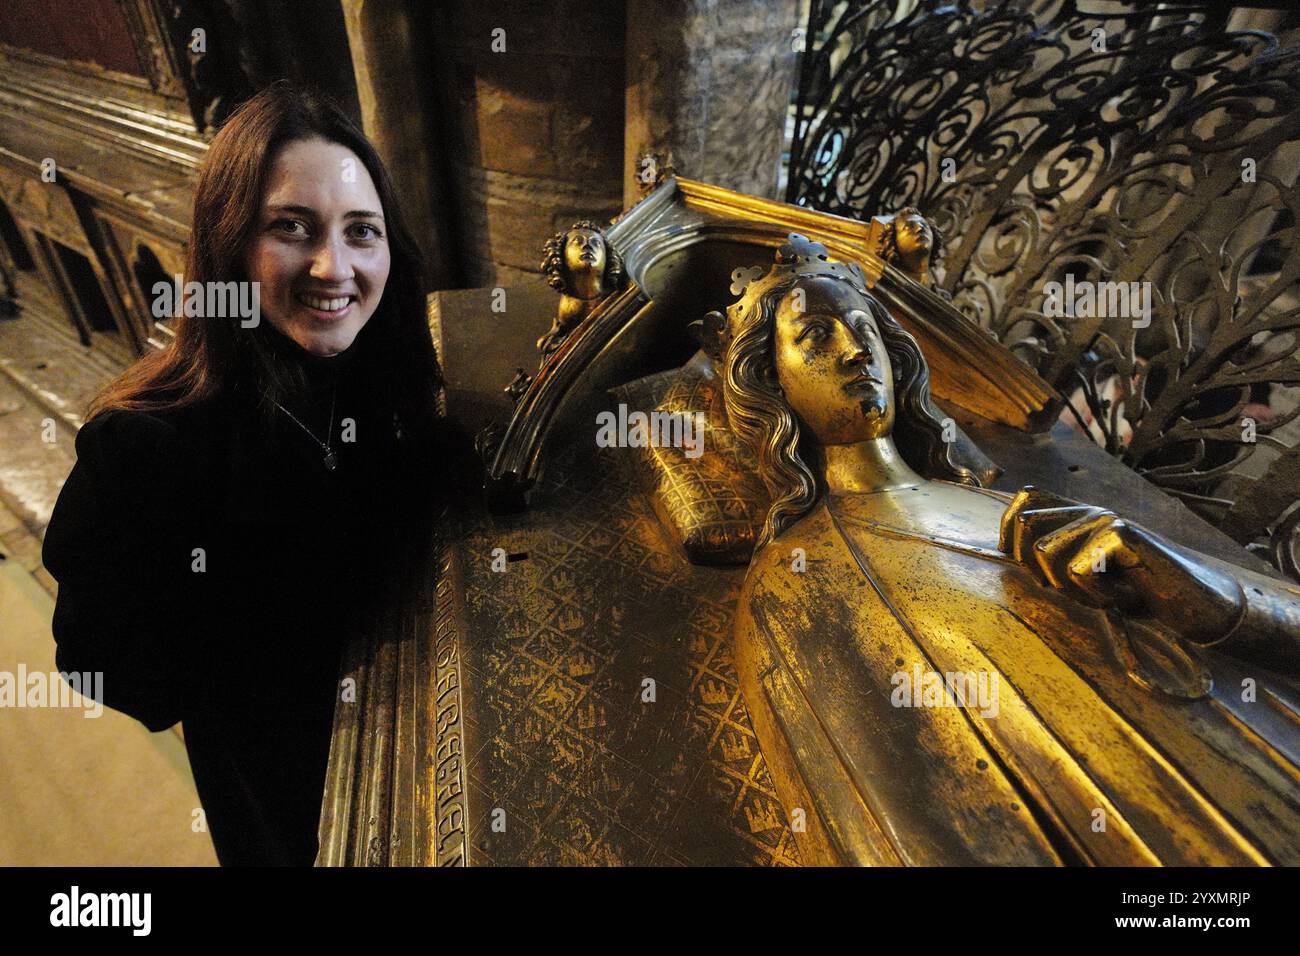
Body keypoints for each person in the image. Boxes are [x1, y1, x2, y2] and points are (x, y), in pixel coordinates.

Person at [719, 234, 1300, 866]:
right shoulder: (797, 578)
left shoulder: (1011, 502)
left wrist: (1200, 595)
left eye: (866, 330)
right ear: (771, 384)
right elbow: (878, 816)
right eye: (816, 338)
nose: (858, 351)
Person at [43, 81, 475, 866]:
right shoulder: (146, 449)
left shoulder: (375, 373)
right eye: (291, 228)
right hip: (294, 791)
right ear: (229, 244)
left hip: (414, 733)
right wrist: (248, 634)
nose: (333, 266)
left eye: (361, 231)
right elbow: (97, 658)